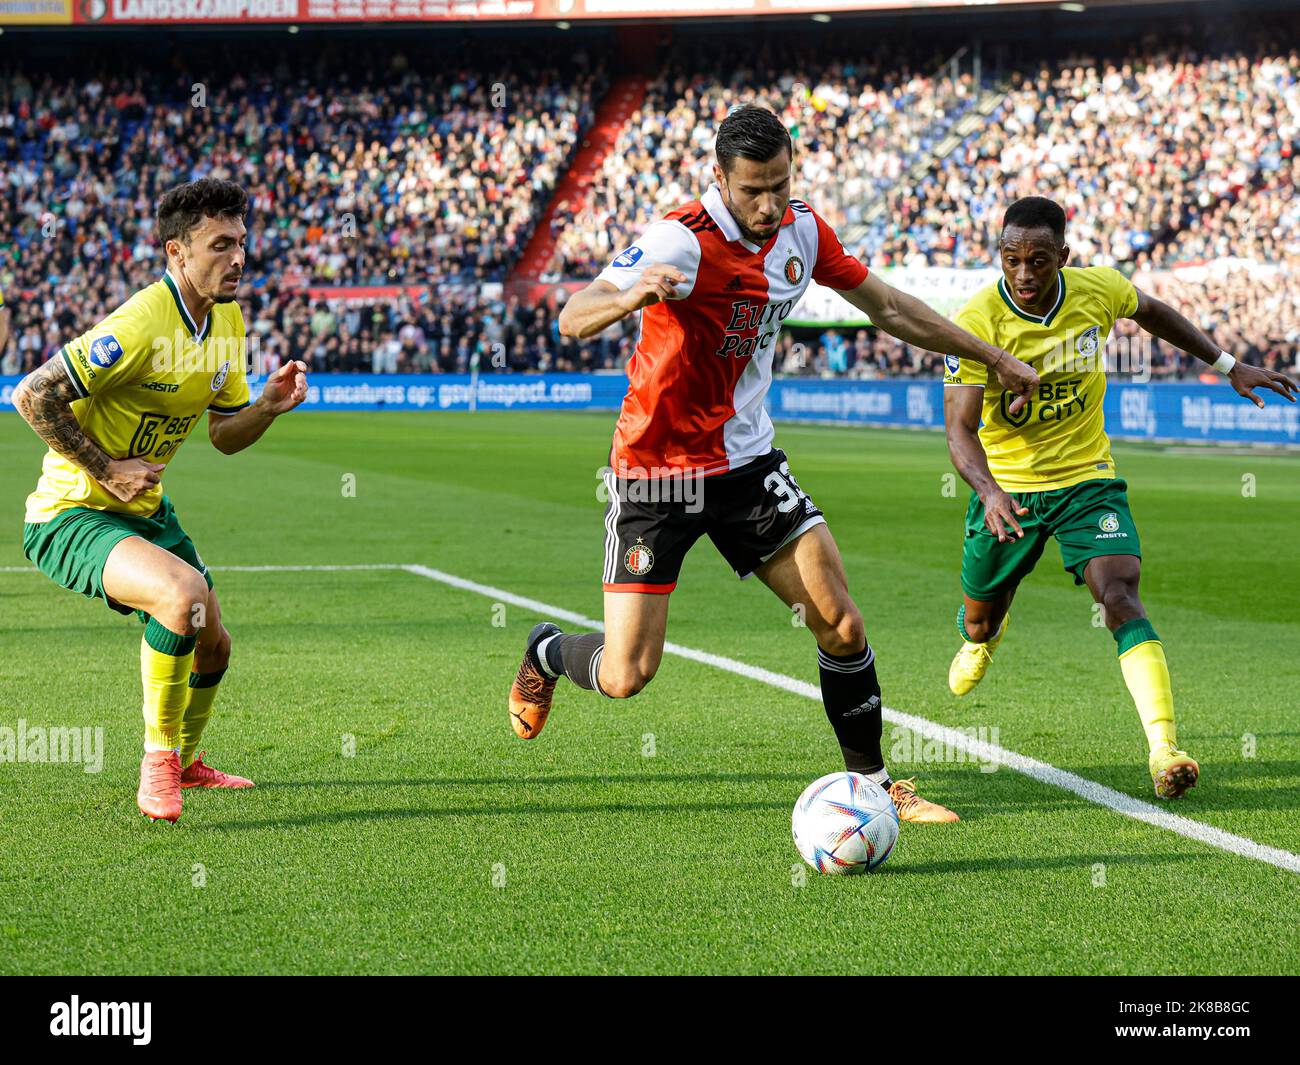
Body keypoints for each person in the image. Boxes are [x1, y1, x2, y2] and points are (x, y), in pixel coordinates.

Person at [506, 106, 1039, 823]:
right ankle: (546, 652)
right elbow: (576, 312)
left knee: (841, 624)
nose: (768, 205)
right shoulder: (679, 238)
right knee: (627, 673)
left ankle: (875, 786)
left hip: (749, 465)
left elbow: (886, 306)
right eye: (752, 189)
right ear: (719, 180)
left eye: (780, 186)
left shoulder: (804, 229)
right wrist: (628, 294)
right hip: (657, 473)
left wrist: (993, 354)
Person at [942, 196, 1297, 798]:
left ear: (1064, 257)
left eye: (1038, 260)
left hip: (1087, 480)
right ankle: (985, 636)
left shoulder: (1098, 290)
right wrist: (991, 491)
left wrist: (1228, 363)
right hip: (1011, 490)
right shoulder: (975, 322)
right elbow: (959, 429)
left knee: (1120, 594)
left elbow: (1154, 312)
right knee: (979, 618)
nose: (1024, 274)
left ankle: (1164, 748)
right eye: (1011, 259)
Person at [13, 178, 310, 823]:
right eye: (219, 245)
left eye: (241, 243)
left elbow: (225, 436)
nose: (237, 258)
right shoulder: (141, 321)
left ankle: (187, 761)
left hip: (142, 511)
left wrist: (265, 407)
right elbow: (32, 394)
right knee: (180, 599)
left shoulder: (227, 319)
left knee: (215, 644)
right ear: (177, 252)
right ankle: (157, 766)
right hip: (72, 512)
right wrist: (106, 468)